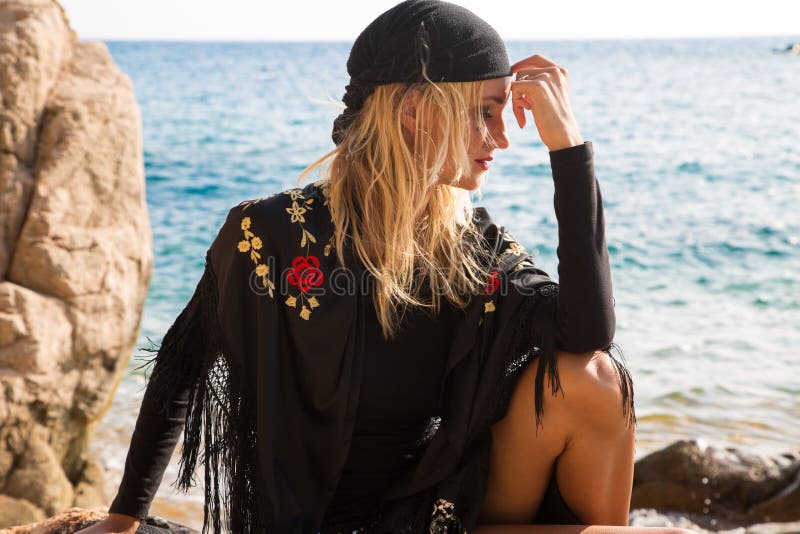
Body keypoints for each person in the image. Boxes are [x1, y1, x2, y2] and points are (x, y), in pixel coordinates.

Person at [78, 1, 692, 533]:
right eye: (485, 110)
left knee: (595, 380)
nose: (501, 137)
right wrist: (124, 517)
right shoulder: (267, 233)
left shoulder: (470, 246)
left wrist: (571, 151)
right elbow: (182, 363)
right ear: (414, 109)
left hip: (430, 514)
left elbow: (588, 335)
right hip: (307, 521)